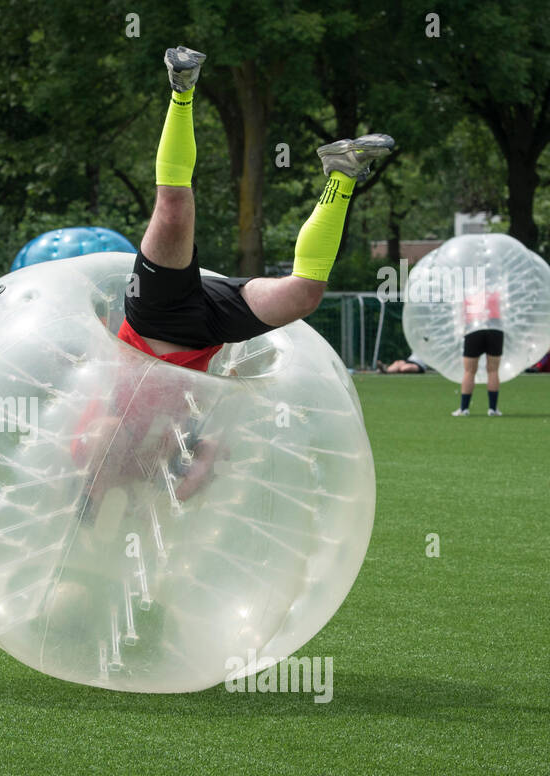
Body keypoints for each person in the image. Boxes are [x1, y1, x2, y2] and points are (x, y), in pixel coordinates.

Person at [81, 46, 393, 503]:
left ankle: (181, 87)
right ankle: (342, 172)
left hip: (153, 319)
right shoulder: (170, 459)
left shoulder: (102, 441)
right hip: (210, 331)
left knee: (173, 211)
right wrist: (193, 460)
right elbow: (192, 482)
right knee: (304, 295)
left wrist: (114, 478)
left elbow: (105, 438)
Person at [453, 289, 503, 416]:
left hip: (474, 328)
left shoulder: (470, 294)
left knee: (469, 371)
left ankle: (464, 409)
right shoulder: (495, 294)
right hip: (495, 328)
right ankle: (492, 409)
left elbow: (462, 314)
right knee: (493, 370)